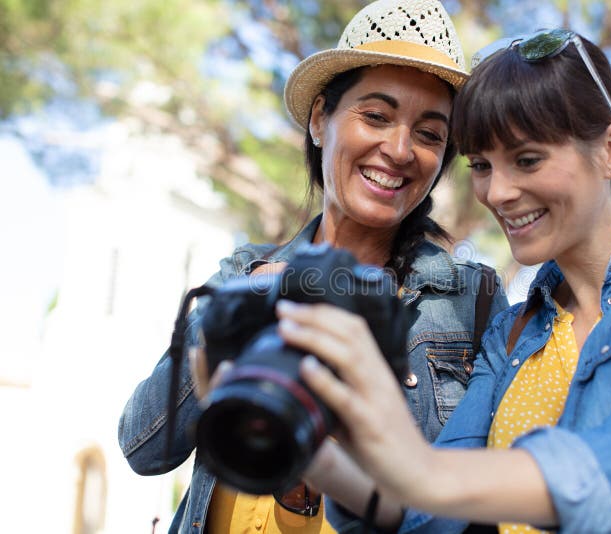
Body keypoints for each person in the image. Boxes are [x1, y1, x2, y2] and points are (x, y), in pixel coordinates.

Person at [276, 28, 611, 533]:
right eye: (482, 165)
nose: (499, 192)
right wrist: (314, 450)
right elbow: (431, 513)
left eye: (528, 159)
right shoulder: (512, 332)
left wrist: (421, 471)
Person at [117, 1, 508, 532]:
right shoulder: (247, 273)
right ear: (320, 119)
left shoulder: (472, 300)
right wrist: (228, 321)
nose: (399, 149)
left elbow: (468, 502)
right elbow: (143, 448)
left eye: (429, 134)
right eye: (376, 116)